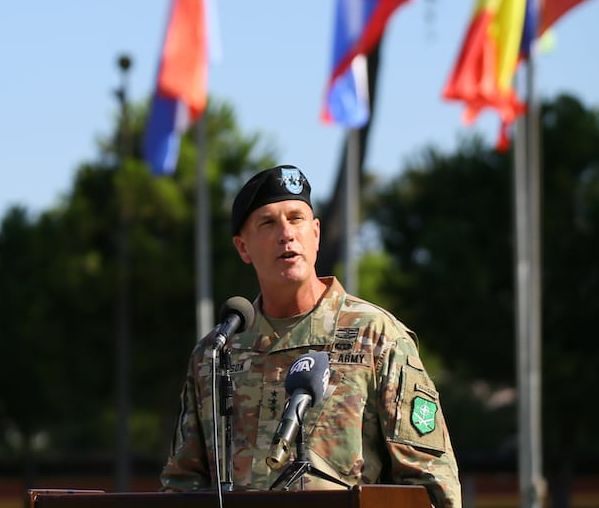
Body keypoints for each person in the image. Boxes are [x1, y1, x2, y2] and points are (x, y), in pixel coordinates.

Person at [159, 164, 462, 508]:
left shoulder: (376, 336)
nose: (286, 234)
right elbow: (181, 485)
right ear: (243, 248)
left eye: (296, 219)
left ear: (315, 234)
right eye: (268, 223)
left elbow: (431, 485)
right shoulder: (216, 353)